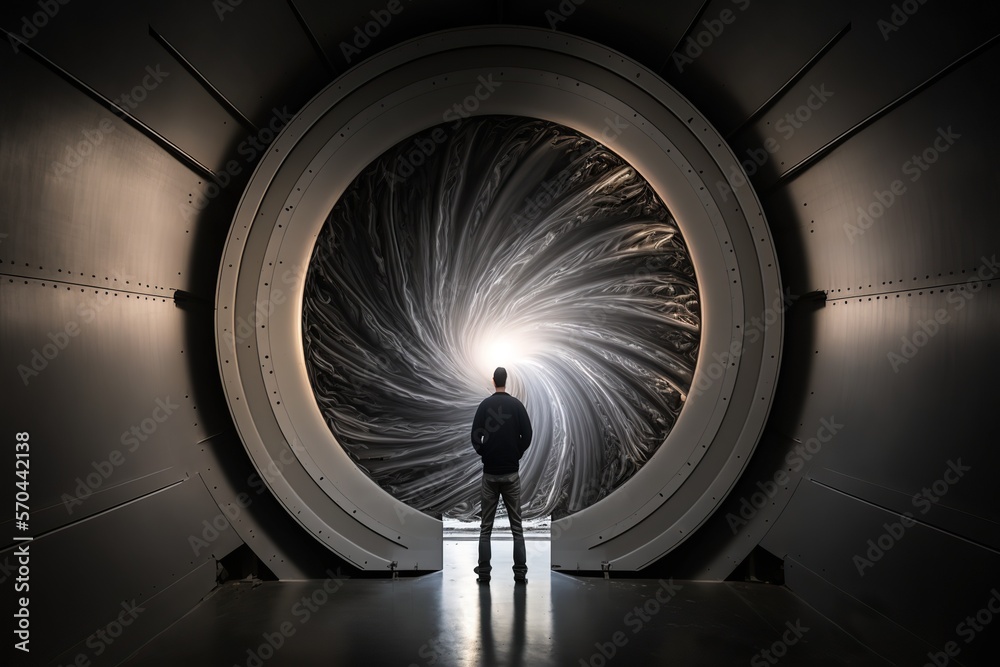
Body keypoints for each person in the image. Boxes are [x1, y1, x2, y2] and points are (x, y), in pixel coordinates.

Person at [470, 366, 532, 584]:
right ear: (507, 380)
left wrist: (484, 452)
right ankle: (520, 573)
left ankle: (484, 573)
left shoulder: (485, 405)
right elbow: (528, 435)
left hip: (490, 475)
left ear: (493, 380)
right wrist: (517, 453)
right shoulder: (516, 405)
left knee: (485, 527)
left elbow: (475, 436)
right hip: (511, 474)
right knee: (517, 527)